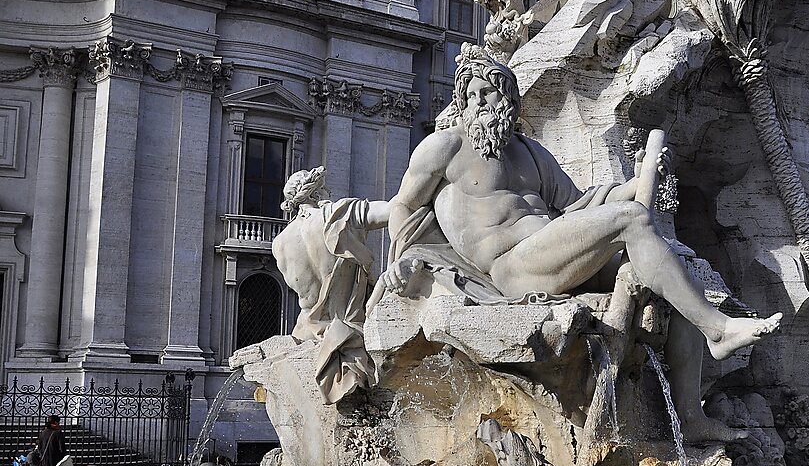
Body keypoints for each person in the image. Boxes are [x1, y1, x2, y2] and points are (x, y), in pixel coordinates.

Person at [375, 47, 781, 442]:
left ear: (509, 96)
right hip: (512, 267)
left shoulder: (532, 153)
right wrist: (401, 256)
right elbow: (404, 205)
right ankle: (719, 329)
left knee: (674, 270)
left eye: (490, 91)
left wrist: (642, 181)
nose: (480, 102)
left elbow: (579, 207)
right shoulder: (446, 146)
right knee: (633, 218)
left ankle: (690, 416)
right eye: (472, 95)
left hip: (553, 251)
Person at [272, 166, 395, 404]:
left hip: (308, 336)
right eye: (326, 189)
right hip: (353, 333)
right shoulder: (338, 215)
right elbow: (394, 210)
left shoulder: (280, 243)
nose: (330, 193)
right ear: (316, 194)